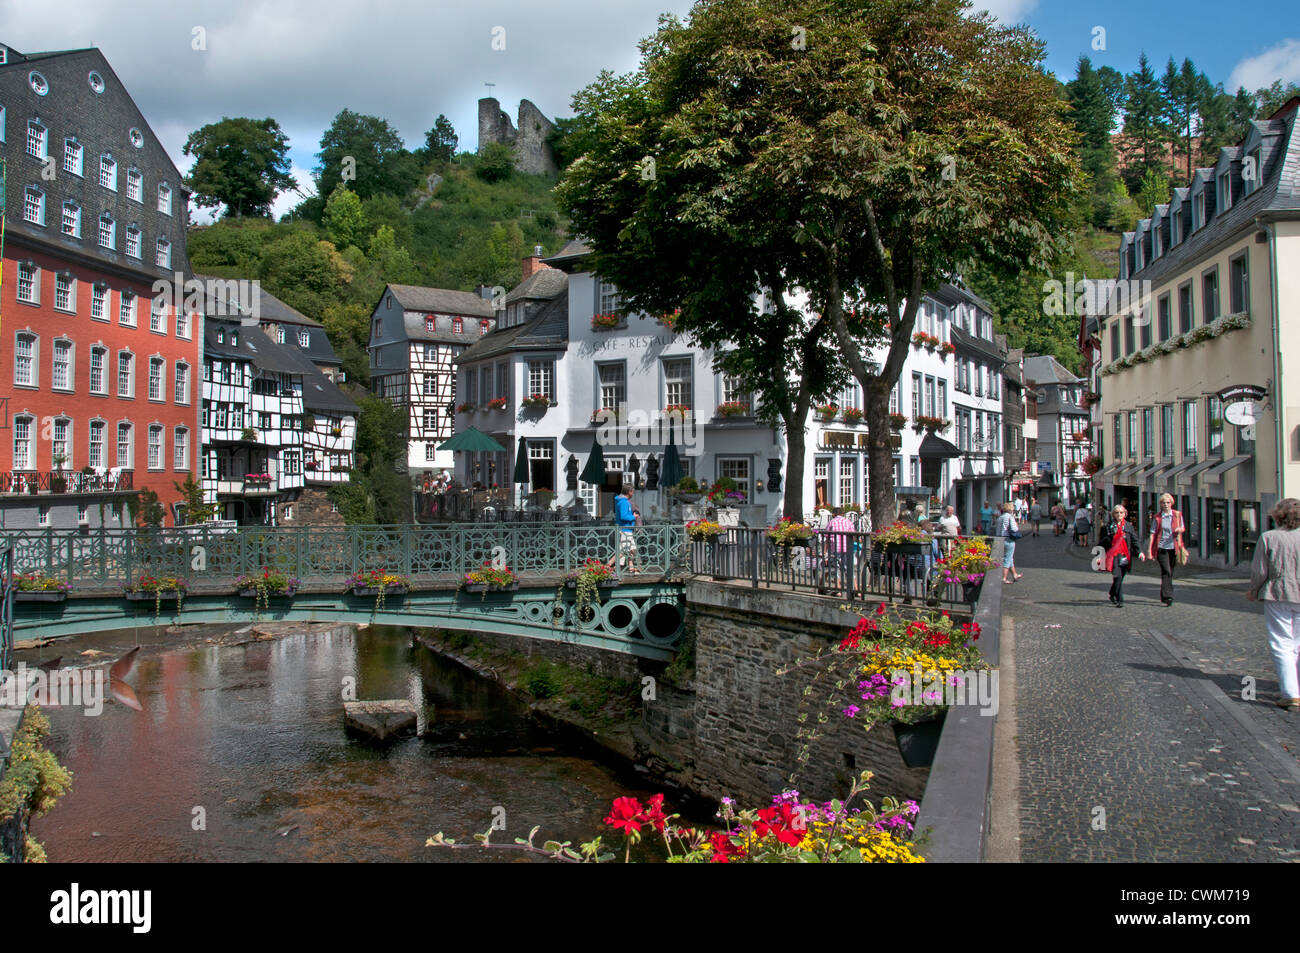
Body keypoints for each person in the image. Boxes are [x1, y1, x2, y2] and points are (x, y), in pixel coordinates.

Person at [1247, 498, 1300, 710]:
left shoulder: (1268, 537)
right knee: (1296, 644)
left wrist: (1254, 590)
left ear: (1278, 516)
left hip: (1278, 593)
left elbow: (1260, 570)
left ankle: (1290, 692)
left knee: (1281, 643)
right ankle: (1295, 687)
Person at [1100, 504, 1145, 606]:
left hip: (1125, 555)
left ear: (1125, 514)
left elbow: (1134, 540)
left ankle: (1112, 593)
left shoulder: (1128, 526)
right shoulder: (1109, 527)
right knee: (1117, 577)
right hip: (1114, 556)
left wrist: (1140, 552)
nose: (1119, 514)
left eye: (1121, 512)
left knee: (1121, 576)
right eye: (1117, 512)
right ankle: (1120, 600)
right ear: (1113, 514)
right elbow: (1102, 541)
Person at [1147, 493, 1187, 606]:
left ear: (1171, 503)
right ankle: (1168, 596)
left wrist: (1180, 529)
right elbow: (1152, 534)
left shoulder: (1177, 515)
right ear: (1160, 504)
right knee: (1166, 570)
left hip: (1174, 547)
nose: (1166, 505)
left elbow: (1183, 527)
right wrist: (1149, 550)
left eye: (1168, 502)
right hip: (1161, 548)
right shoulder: (1158, 517)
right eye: (1163, 503)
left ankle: (1165, 595)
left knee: (1170, 572)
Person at [609, 485, 642, 574]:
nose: (633, 493)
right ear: (629, 492)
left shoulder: (622, 501)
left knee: (632, 549)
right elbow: (623, 516)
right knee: (624, 551)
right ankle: (608, 565)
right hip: (625, 529)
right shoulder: (624, 502)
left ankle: (631, 568)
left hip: (626, 529)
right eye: (633, 491)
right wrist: (633, 517)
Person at [995, 502, 1023, 583]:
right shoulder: (1010, 517)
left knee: (1010, 558)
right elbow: (1014, 529)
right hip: (1009, 539)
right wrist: (1017, 526)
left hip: (1000, 539)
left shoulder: (1001, 517)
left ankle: (1015, 575)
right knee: (1008, 558)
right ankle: (1004, 578)